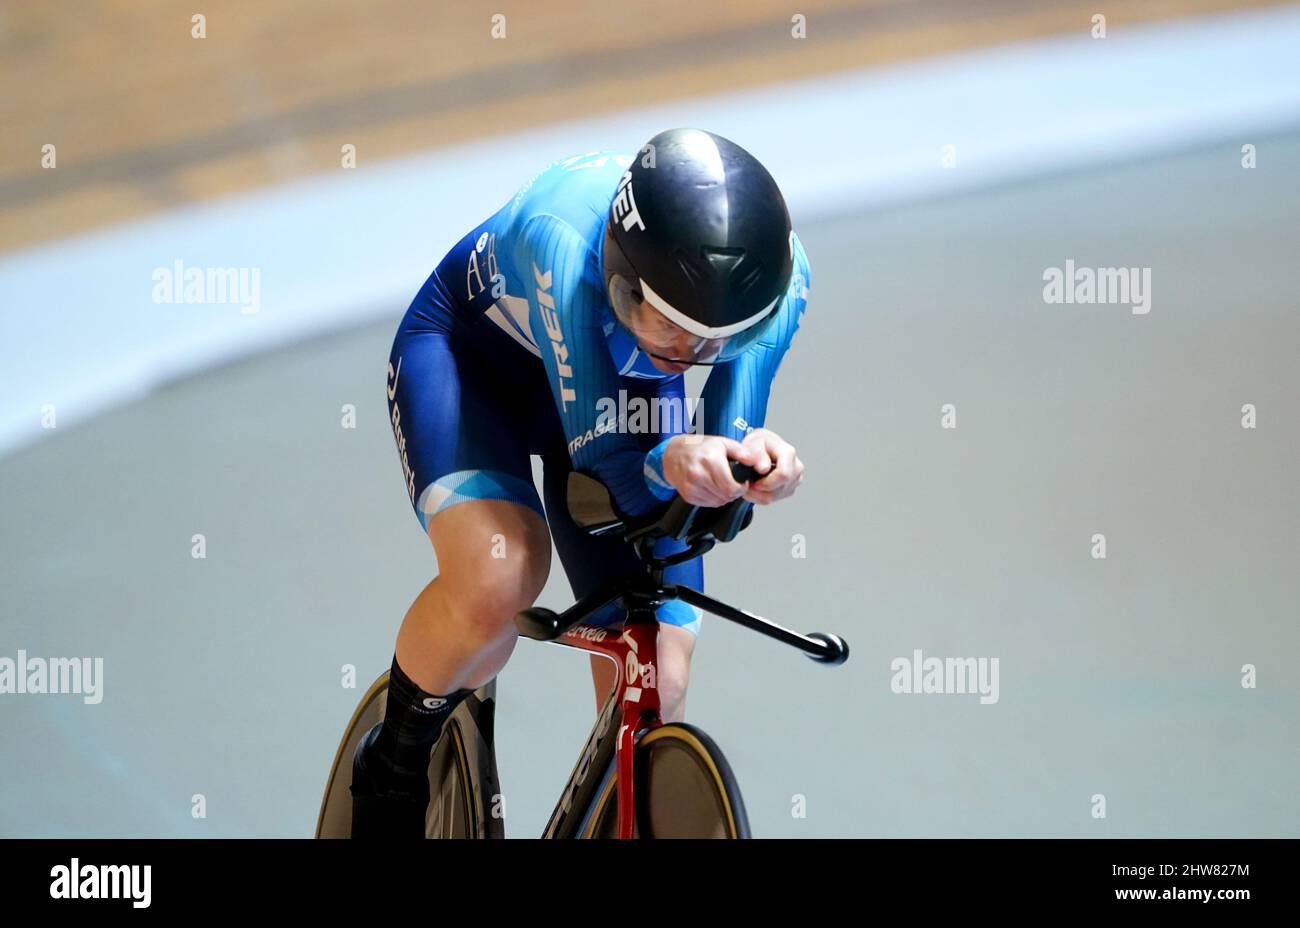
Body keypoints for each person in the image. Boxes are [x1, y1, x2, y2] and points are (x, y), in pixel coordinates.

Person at [351, 128, 811, 836]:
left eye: (716, 343)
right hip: (475, 368)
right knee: (500, 579)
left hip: (609, 391)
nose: (689, 356)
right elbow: (610, 475)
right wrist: (671, 463)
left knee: (661, 657)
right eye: (672, 328)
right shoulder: (563, 240)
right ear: (623, 271)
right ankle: (392, 765)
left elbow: (720, 450)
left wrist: (753, 470)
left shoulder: (780, 285)